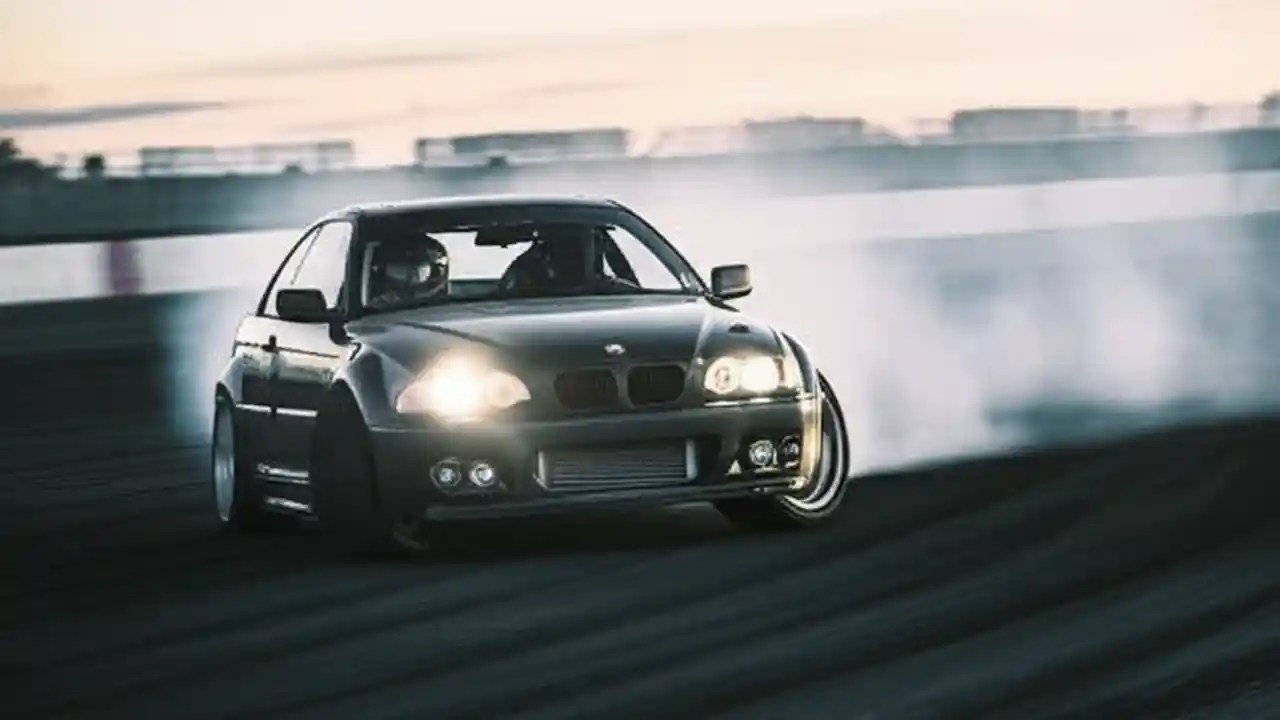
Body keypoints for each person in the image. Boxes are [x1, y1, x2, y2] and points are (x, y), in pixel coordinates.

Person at [365, 233, 449, 309]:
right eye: (401, 271)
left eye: (420, 271)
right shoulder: (378, 308)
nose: (412, 277)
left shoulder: (444, 305)